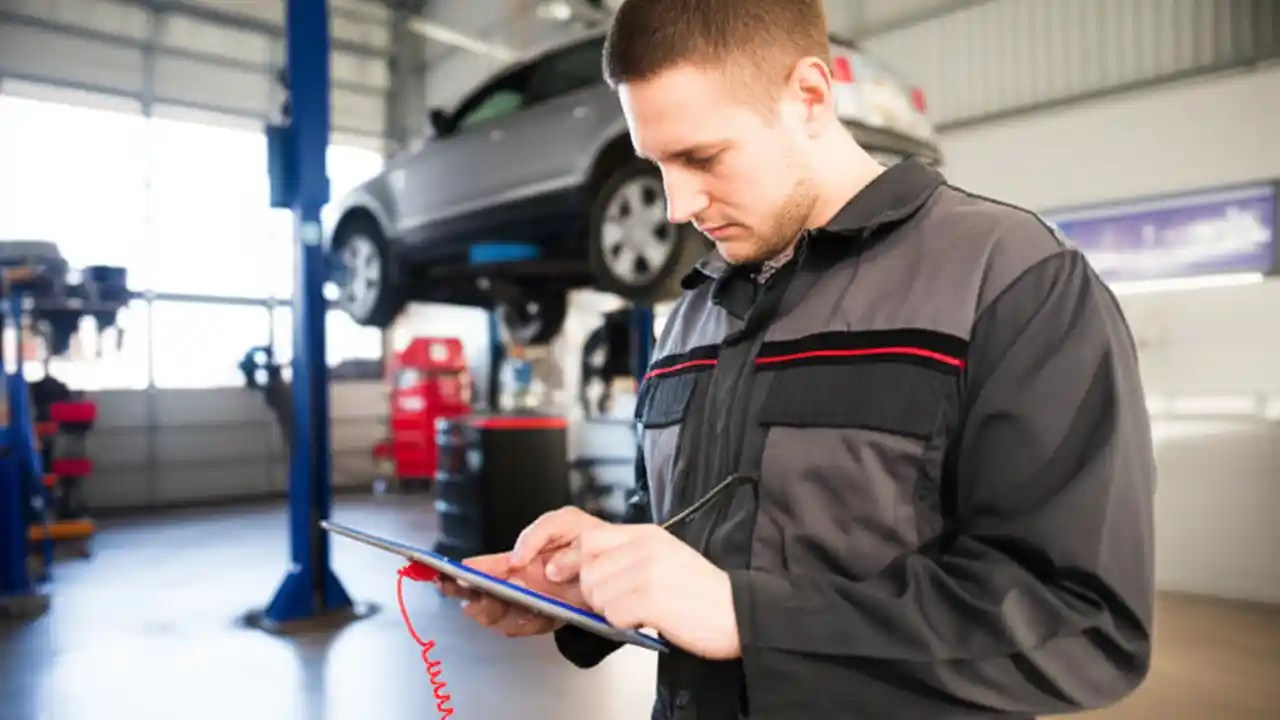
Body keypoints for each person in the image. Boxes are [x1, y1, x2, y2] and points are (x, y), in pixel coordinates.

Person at [440, 0, 1157, 718]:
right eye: (656, 164)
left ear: (809, 96)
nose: (675, 203)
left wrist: (747, 617)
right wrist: (592, 587)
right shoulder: (694, 314)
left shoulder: (1011, 283)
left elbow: (1081, 625)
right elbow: (679, 530)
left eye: (701, 156)